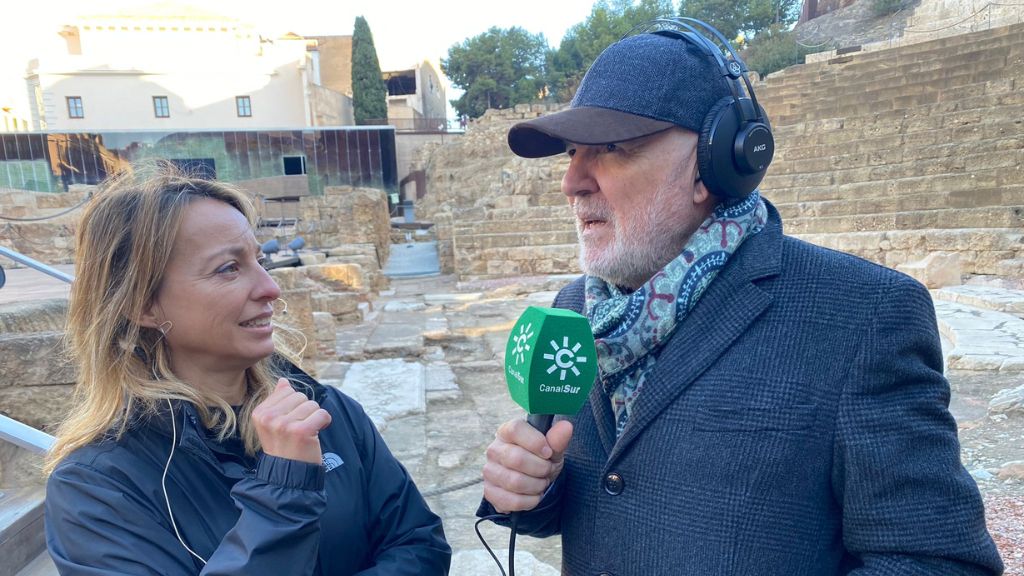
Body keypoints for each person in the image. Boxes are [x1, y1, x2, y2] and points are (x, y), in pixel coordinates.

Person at [478, 20, 1004, 575]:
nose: (573, 182)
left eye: (611, 148)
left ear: (714, 163)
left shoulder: (864, 317)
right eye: (571, 153)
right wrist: (532, 486)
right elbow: (606, 499)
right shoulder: (573, 310)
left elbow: (939, 562)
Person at [44, 163, 451, 575]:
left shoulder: (329, 411)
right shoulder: (96, 491)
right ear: (142, 304)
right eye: (229, 268)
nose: (270, 287)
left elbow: (418, 543)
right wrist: (285, 492)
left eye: (259, 260)